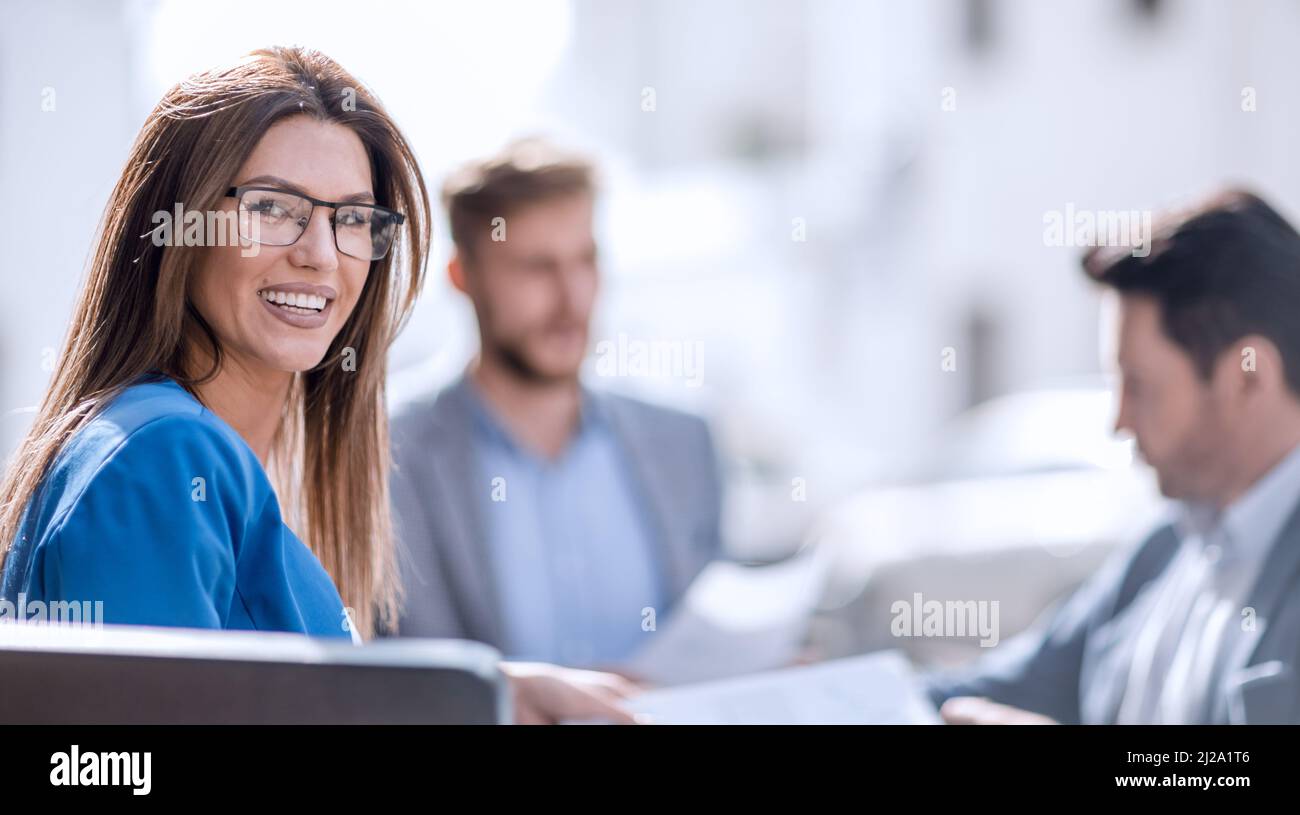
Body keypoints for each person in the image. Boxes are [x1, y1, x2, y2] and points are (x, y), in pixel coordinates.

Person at [0, 47, 639, 725]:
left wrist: (479, 693)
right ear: (178, 226)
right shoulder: (164, 456)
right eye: (273, 208)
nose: (321, 253)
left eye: (356, 219)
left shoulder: (191, 459)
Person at [928, 189, 1300, 724]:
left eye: (1140, 387)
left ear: (1247, 377)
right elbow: (1005, 686)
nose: (1118, 421)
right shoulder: (1169, 548)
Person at [387, 140, 724, 669]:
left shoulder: (683, 441)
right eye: (537, 268)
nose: (573, 299)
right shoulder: (388, 453)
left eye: (585, 261)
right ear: (462, 277)